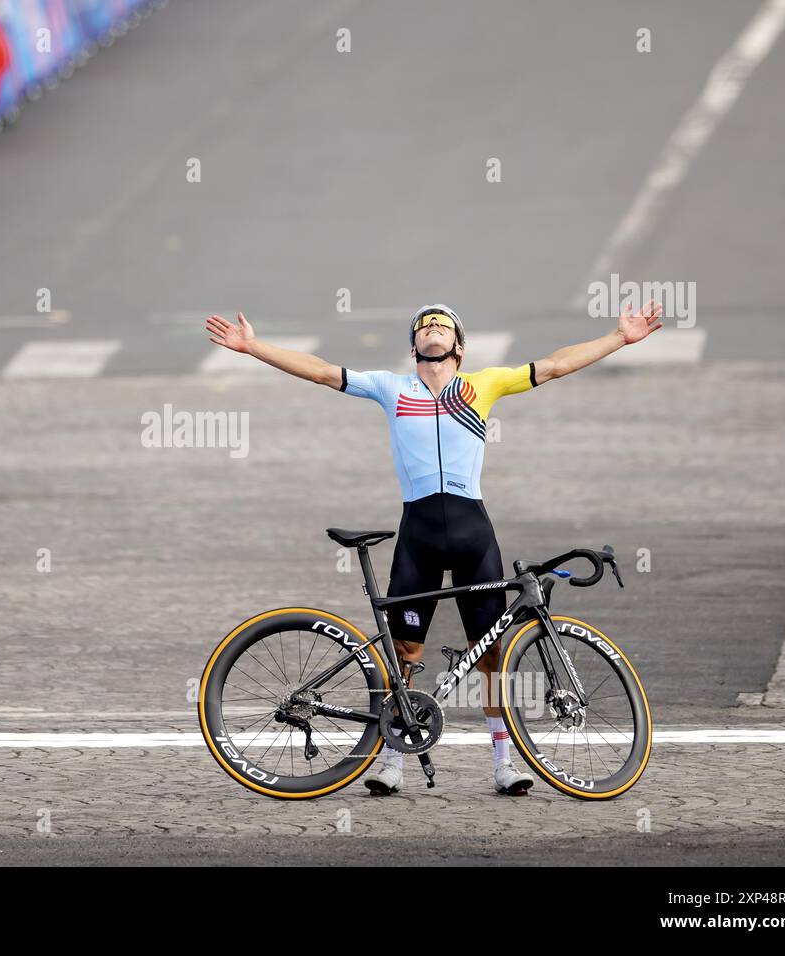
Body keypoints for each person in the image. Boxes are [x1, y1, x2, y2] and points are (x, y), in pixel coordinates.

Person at [205, 301, 663, 795]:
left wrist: (619, 338)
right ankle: (393, 761)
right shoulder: (391, 387)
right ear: (414, 347)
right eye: (424, 326)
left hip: (473, 534)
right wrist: (252, 347)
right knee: (404, 652)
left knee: (491, 656)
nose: (433, 330)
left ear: (458, 348)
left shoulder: (483, 385)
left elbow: (553, 365)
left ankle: (503, 764)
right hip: (418, 534)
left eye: (443, 326)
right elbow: (320, 372)